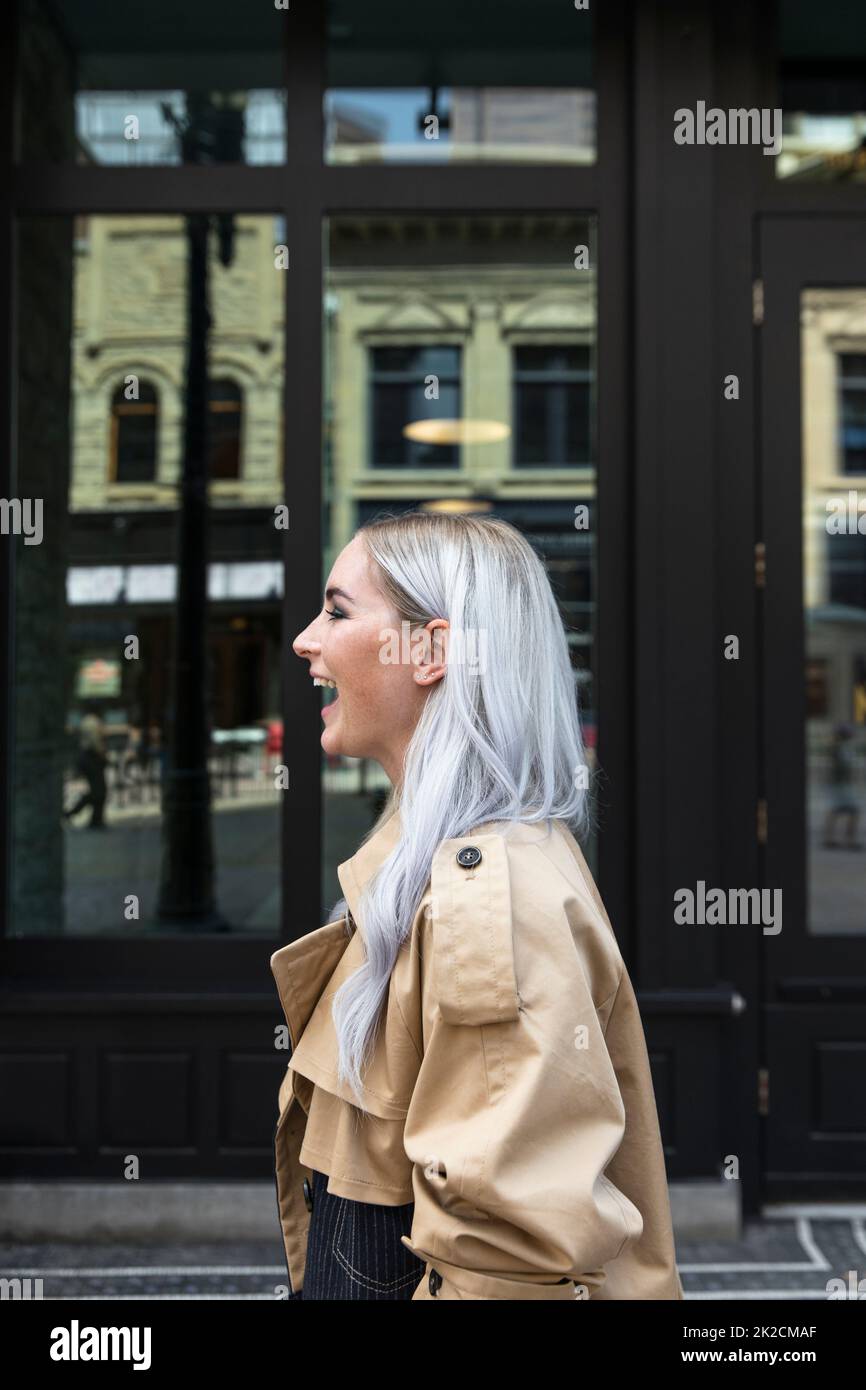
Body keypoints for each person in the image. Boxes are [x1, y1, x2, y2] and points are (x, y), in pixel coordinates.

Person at [273, 510, 683, 1301]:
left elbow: (510, 1263)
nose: (305, 640)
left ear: (431, 649)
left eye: (337, 610)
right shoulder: (431, 862)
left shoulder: (486, 893)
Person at [63, 705, 109, 830]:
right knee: (99, 791)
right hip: (91, 758)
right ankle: (92, 818)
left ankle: (95, 818)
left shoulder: (87, 721)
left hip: (87, 758)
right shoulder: (93, 722)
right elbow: (96, 742)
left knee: (97, 791)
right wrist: (103, 756)